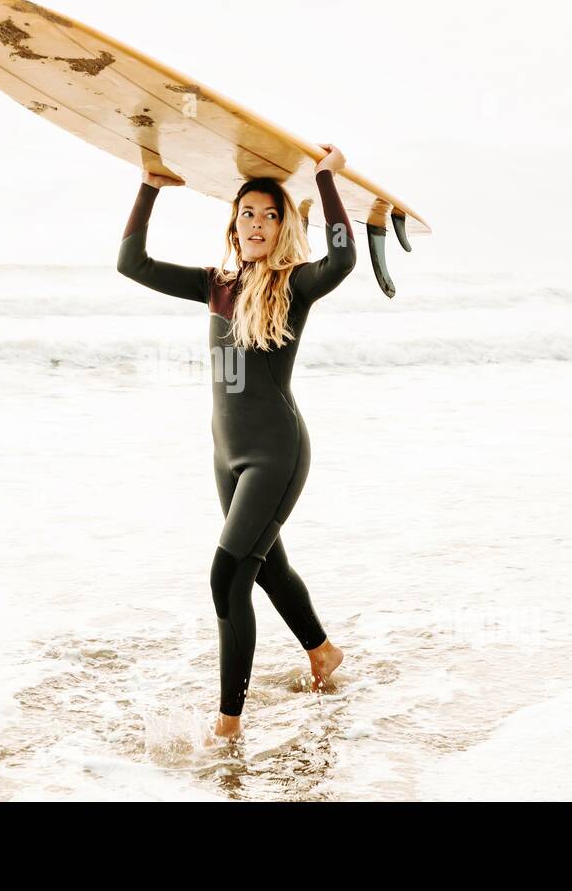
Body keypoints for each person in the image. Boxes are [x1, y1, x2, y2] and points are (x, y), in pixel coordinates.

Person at [117, 144, 352, 741]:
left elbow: (344, 259)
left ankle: (229, 725)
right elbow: (131, 263)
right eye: (247, 213)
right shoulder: (215, 285)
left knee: (228, 577)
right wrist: (150, 187)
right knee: (267, 566)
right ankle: (322, 651)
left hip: (276, 453)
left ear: (283, 226)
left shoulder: (296, 284)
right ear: (234, 223)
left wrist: (327, 179)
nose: (256, 224)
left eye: (269, 215)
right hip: (226, 456)